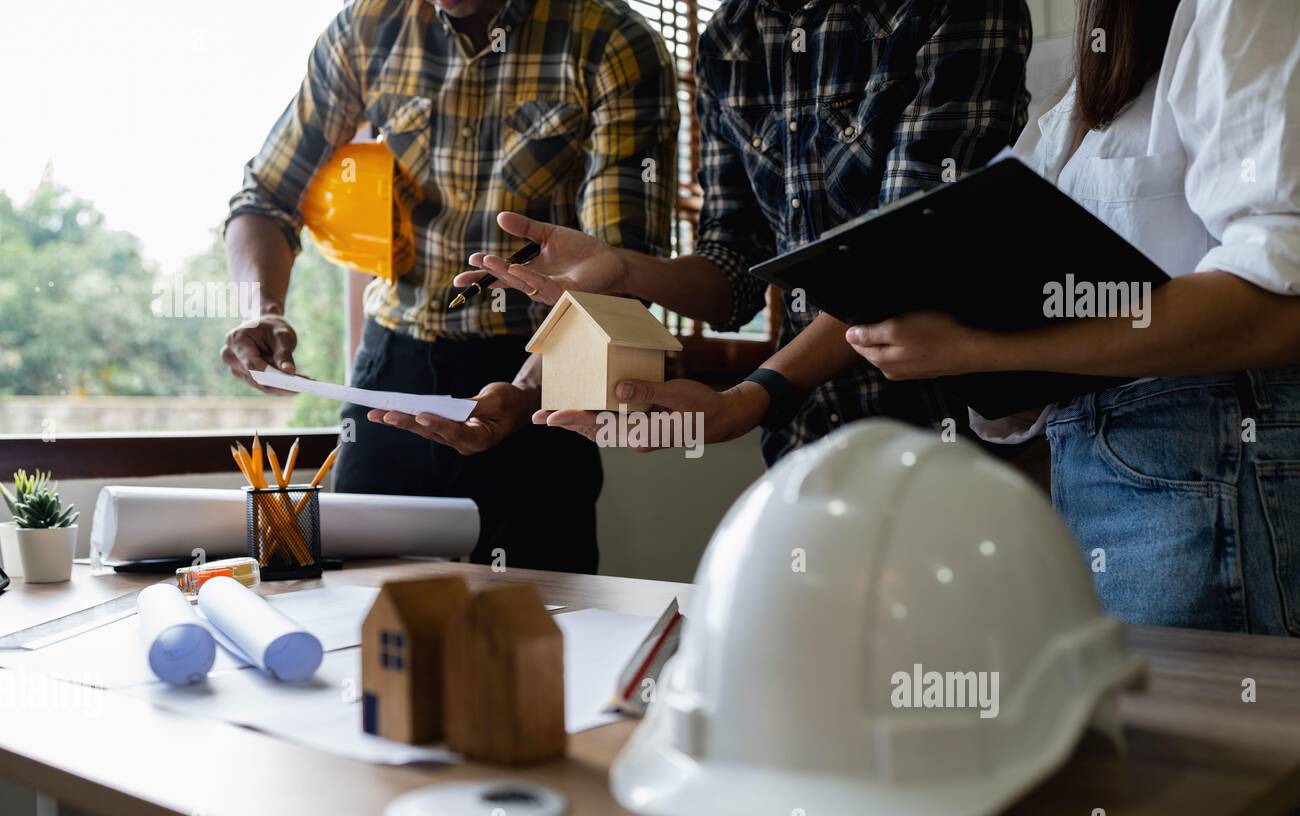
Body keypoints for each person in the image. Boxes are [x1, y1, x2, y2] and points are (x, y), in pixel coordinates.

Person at [401, 0, 1034, 470]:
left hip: (956, 438)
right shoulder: (731, 38)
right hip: (807, 446)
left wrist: (749, 398)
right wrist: (626, 272)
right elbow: (735, 271)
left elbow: (907, 257)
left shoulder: (955, 7)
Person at [843, 0, 1300, 644]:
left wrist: (983, 347)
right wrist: (985, 366)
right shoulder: (1072, 111)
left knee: (1193, 735)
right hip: (1105, 498)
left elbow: (1280, 303)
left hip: (1212, 494)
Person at [221, 0, 678, 573]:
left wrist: (532, 389)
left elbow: (620, 273)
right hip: (393, 372)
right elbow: (267, 196)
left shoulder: (609, 40)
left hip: (541, 372)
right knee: (364, 610)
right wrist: (261, 310)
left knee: (538, 621)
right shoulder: (368, 27)